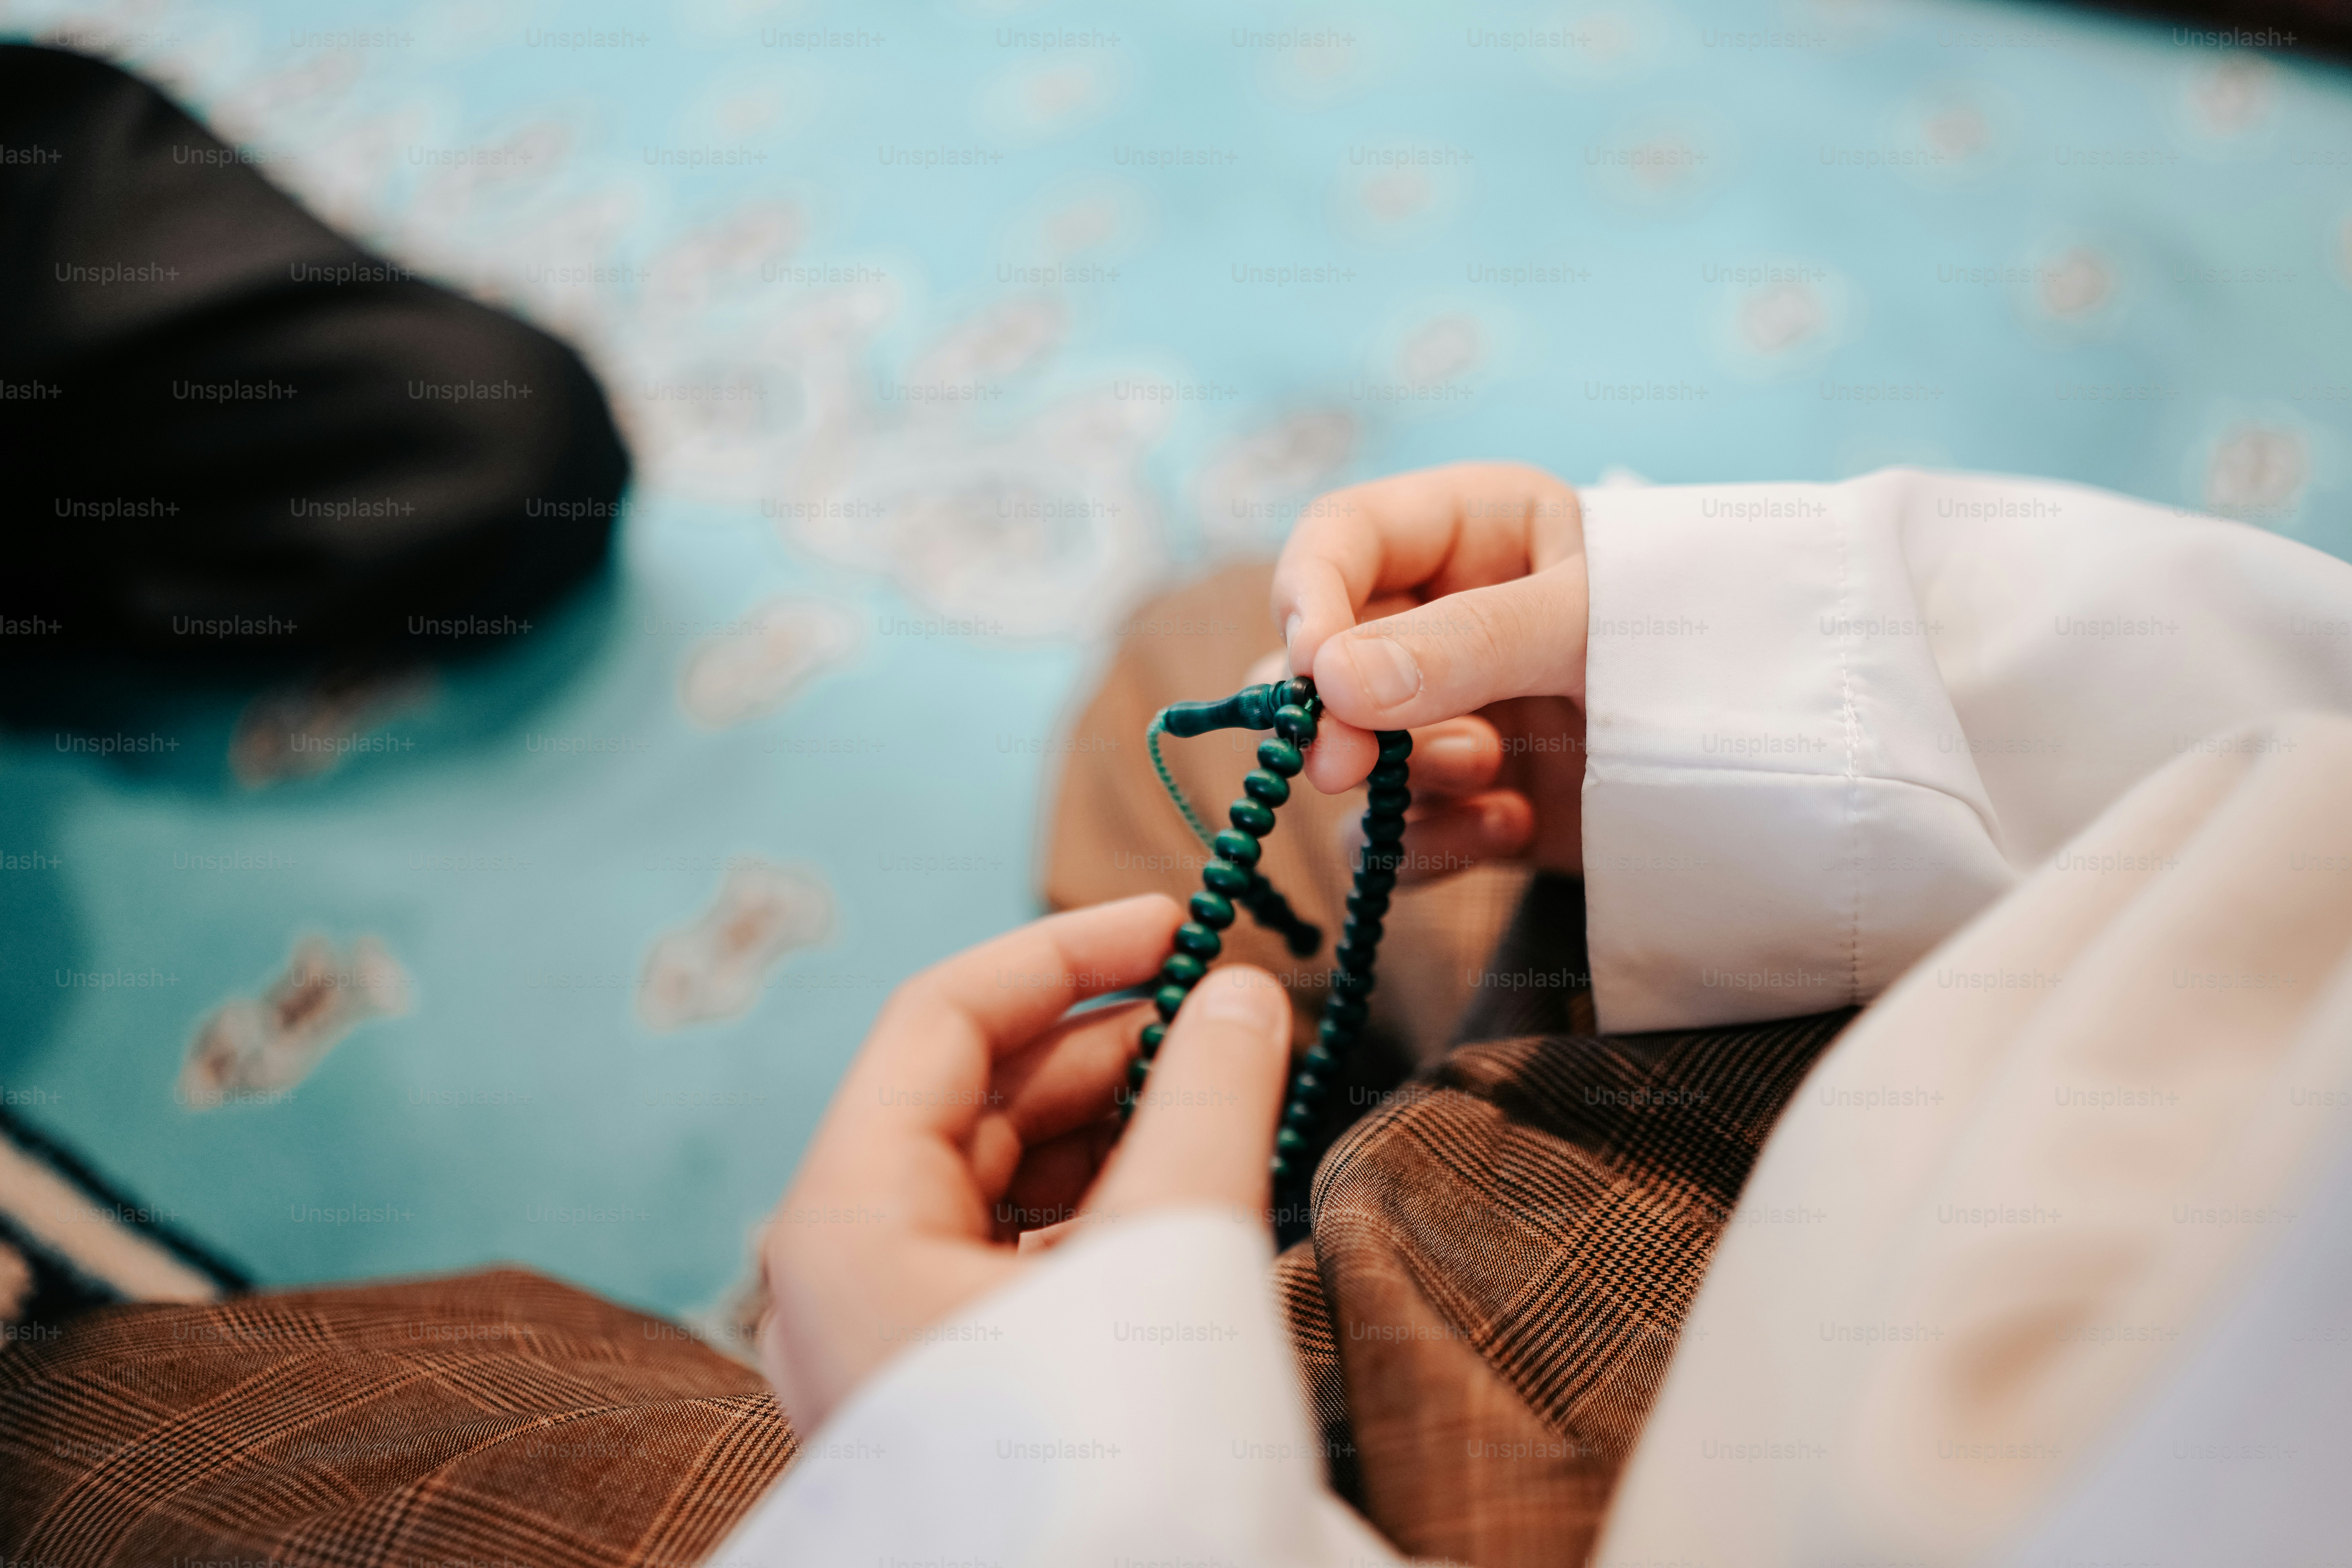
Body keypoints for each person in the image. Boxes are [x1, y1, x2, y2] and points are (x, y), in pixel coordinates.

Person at [724, 461, 2352, 1564]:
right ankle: (1263, 1194)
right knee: (1217, 643)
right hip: (1992, 1060)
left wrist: (1020, 1460)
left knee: (467, 1391)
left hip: (1670, 1449)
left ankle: (1234, 1230)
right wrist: (1755, 690)